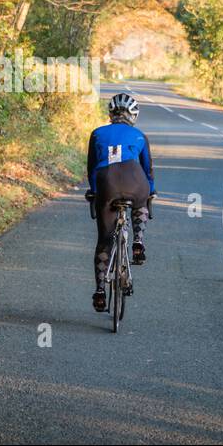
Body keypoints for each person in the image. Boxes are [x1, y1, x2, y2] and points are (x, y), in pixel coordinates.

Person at [85, 92, 154, 312]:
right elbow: (148, 170)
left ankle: (99, 290)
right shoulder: (140, 136)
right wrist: (150, 192)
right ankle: (138, 242)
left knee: (104, 240)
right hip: (135, 181)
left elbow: (92, 169)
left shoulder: (97, 134)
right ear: (133, 115)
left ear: (110, 114)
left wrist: (95, 192)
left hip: (107, 184)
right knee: (141, 202)